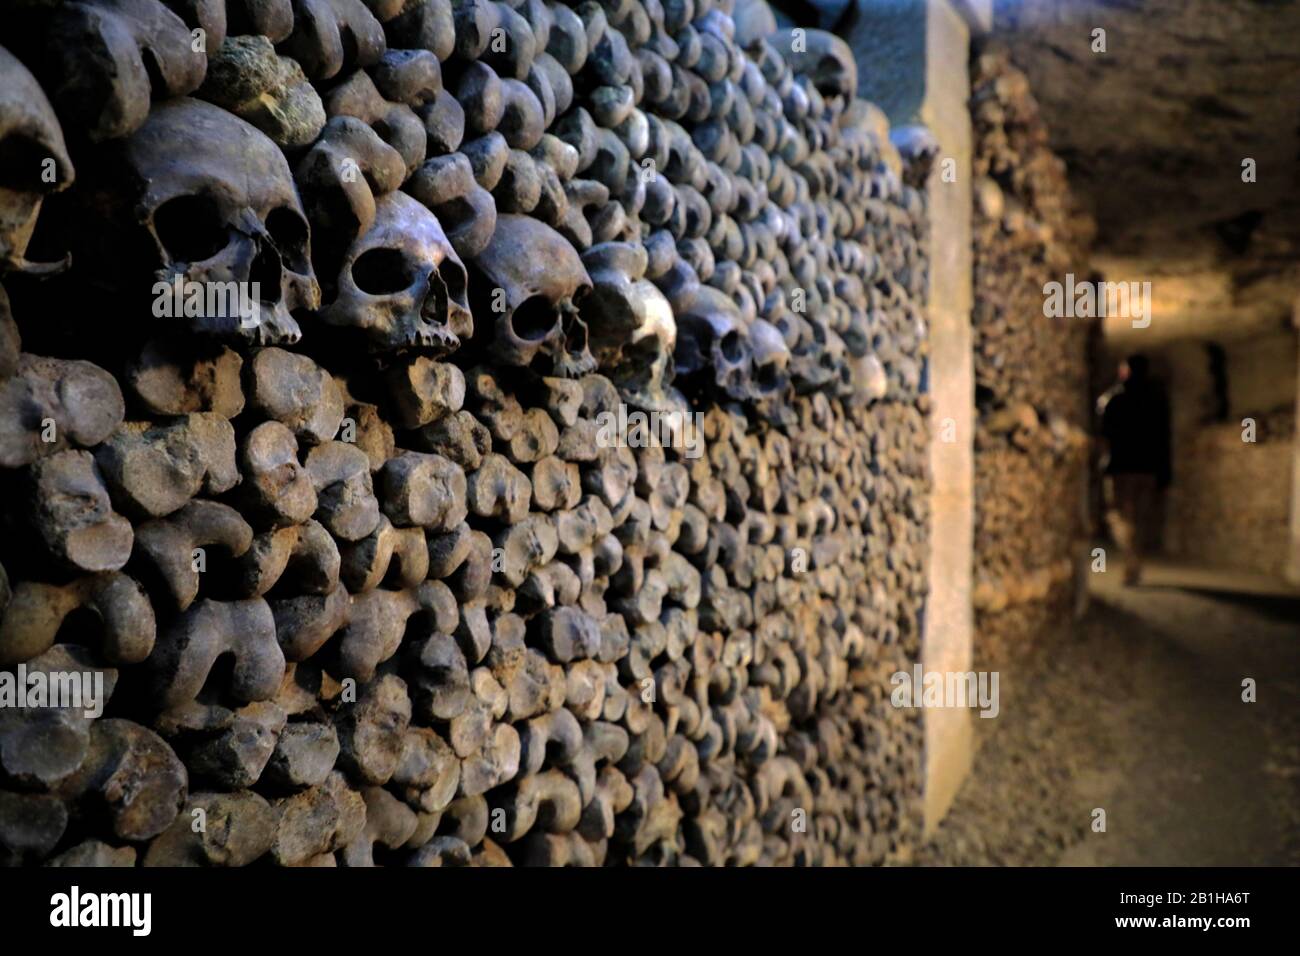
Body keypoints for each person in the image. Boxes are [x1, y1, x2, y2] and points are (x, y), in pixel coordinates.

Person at [1098, 354, 1171, 585]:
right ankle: (1134, 561)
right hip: (1147, 468)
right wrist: (1164, 471)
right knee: (1138, 518)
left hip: (1120, 468)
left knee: (1120, 517)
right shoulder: (1157, 400)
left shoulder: (1114, 400)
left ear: (1125, 372)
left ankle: (1132, 563)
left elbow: (1104, 434)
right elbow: (1164, 438)